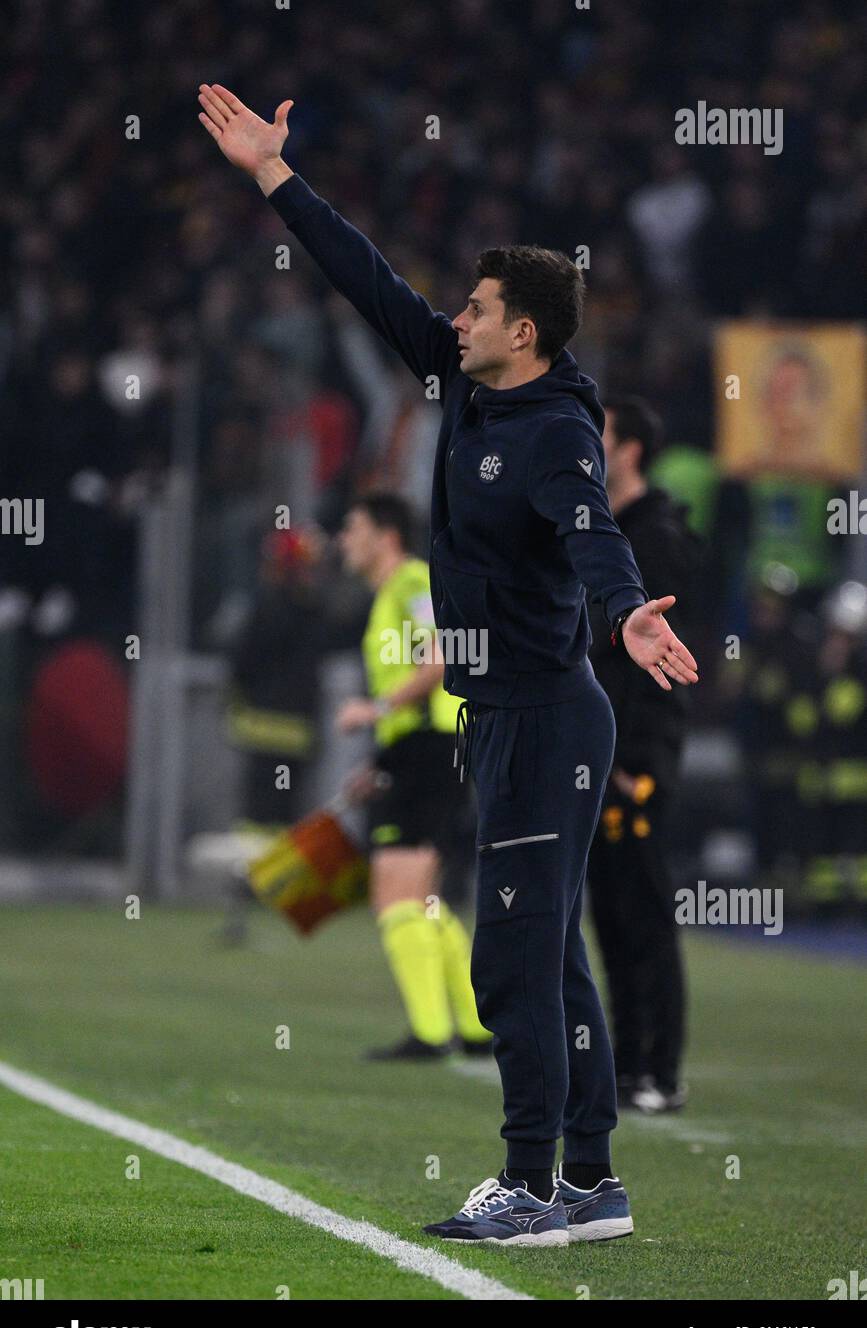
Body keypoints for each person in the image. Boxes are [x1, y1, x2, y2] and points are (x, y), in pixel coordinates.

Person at [197, 84, 698, 1246]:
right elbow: (368, 279)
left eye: (476, 309)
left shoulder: (558, 432)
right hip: (508, 713)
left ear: (525, 332)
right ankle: (591, 1181)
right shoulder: (466, 381)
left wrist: (625, 610)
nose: (455, 318)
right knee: (550, 951)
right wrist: (275, 175)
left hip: (548, 714)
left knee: (512, 956)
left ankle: (529, 1183)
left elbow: (594, 533)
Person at [335, 492, 490, 1061]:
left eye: (353, 527)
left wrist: (374, 710)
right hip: (419, 749)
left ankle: (429, 1033)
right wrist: (380, 762)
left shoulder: (411, 583)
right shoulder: (391, 594)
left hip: (432, 746)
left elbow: (441, 659)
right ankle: (476, 1026)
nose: (343, 540)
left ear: (386, 535)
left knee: (395, 892)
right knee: (421, 897)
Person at [587, 396, 699, 1114]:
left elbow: (659, 663)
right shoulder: (607, 533)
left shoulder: (654, 539)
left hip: (636, 755)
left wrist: (636, 758)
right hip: (601, 750)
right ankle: (629, 1065)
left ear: (628, 450)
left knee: (645, 907)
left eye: (597, 433)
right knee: (609, 909)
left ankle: (660, 1069)